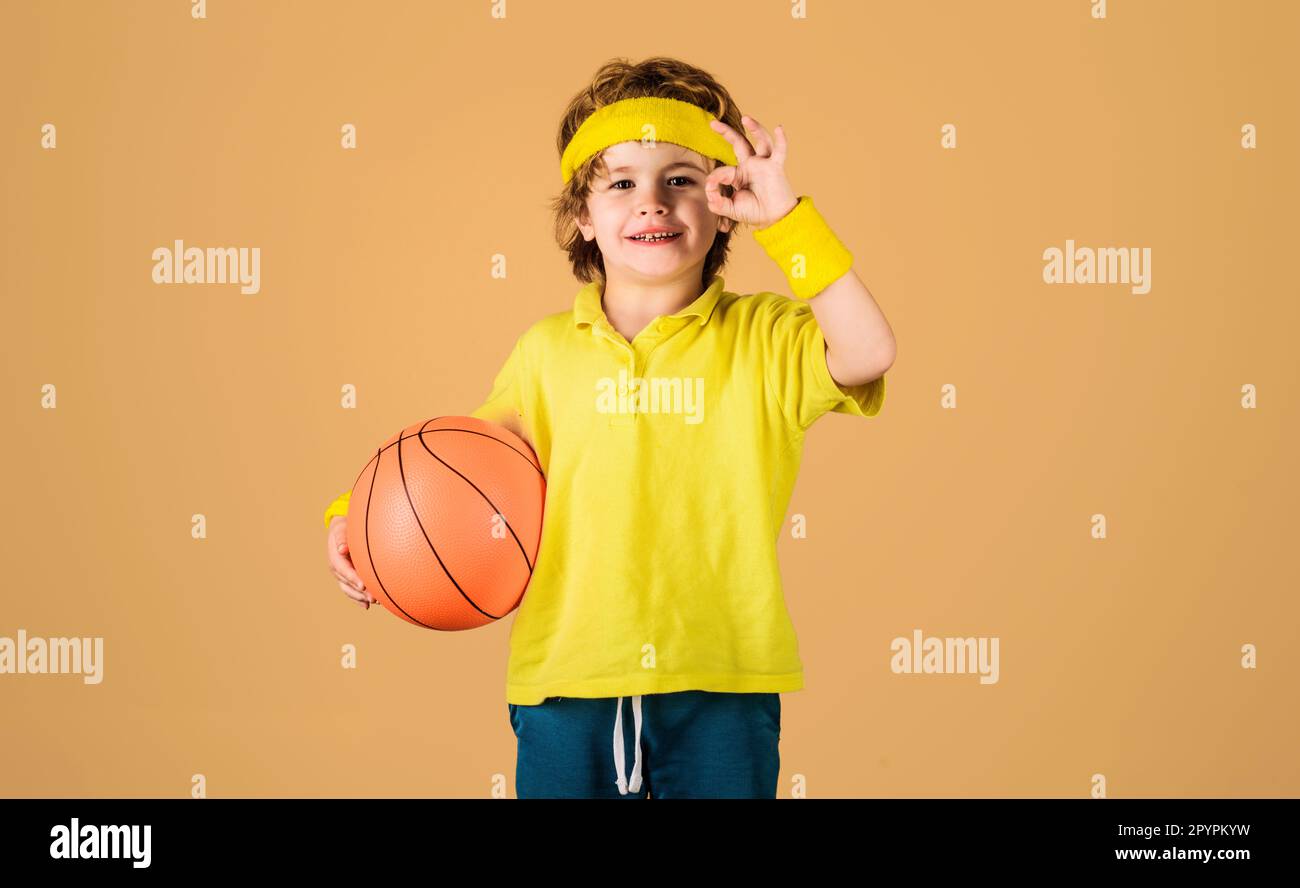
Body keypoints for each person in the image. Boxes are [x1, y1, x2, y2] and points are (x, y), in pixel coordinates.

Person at [323, 57, 896, 798]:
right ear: (583, 218)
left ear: (726, 202)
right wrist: (353, 515)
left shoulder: (767, 337)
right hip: (567, 682)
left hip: (721, 678)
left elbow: (868, 350)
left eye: (682, 179)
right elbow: (455, 464)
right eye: (621, 182)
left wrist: (788, 220)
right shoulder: (544, 352)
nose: (652, 203)